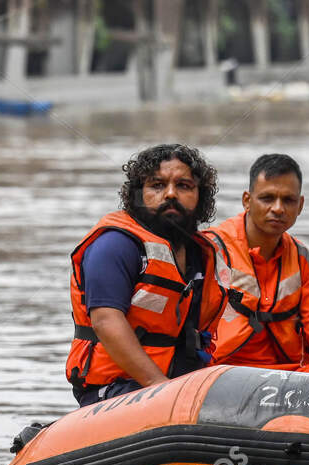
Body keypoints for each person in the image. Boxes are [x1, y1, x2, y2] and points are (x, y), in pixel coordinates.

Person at [66, 143, 225, 406]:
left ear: (201, 196)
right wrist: (158, 387)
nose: (170, 194)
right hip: (116, 390)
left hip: (181, 385)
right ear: (138, 195)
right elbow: (106, 321)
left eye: (184, 186)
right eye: (157, 186)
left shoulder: (202, 254)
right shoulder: (115, 245)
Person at [208, 154, 309, 375]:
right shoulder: (210, 250)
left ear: (300, 205)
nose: (278, 208)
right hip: (216, 374)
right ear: (247, 200)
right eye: (267, 198)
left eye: (288, 200)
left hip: (287, 376)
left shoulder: (304, 261)